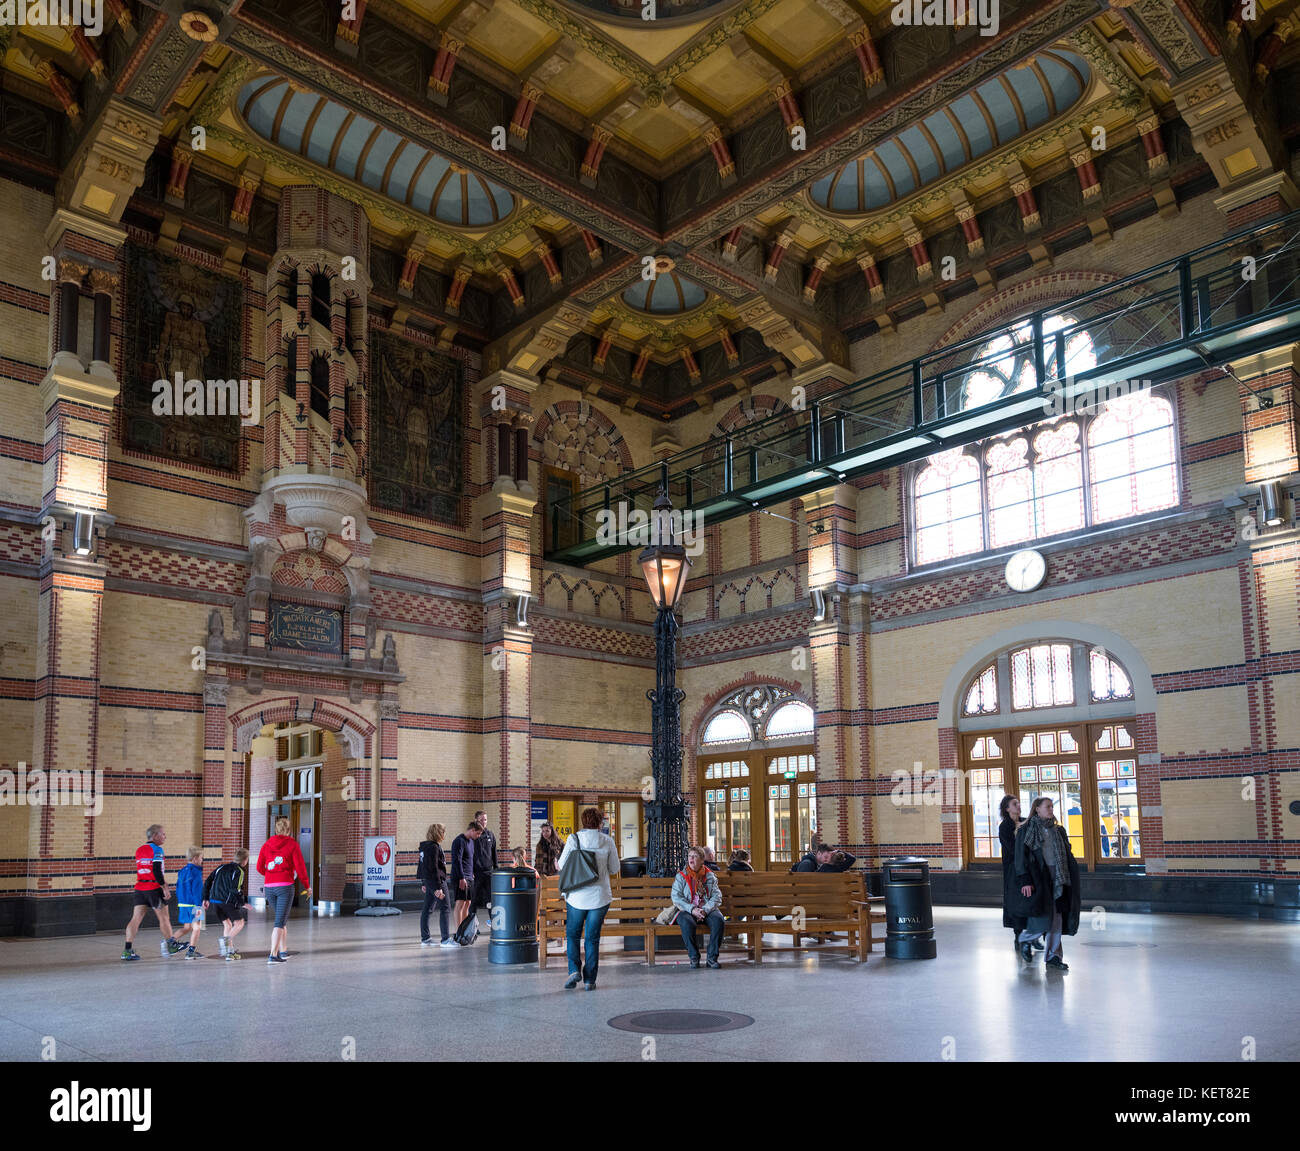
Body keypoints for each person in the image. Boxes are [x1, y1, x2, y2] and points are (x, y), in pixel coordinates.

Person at [1013, 796, 1081, 970]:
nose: (1051, 809)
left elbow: (1067, 853)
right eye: (1047, 807)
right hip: (1038, 878)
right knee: (1042, 914)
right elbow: (1020, 858)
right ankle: (1025, 939)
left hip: (1059, 877)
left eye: (1052, 807)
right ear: (1037, 809)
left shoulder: (1058, 831)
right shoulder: (1026, 830)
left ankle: (1053, 956)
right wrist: (1025, 881)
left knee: (1057, 916)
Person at [557, 807, 619, 991]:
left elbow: (561, 865)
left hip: (577, 897)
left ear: (583, 821)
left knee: (573, 935)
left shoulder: (574, 839)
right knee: (592, 939)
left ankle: (574, 970)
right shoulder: (607, 841)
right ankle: (589, 981)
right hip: (600, 897)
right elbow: (615, 868)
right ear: (600, 823)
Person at [122, 824, 185, 960]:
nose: (165, 837)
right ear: (155, 835)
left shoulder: (139, 850)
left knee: (135, 919)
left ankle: (127, 950)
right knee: (163, 918)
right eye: (163, 834)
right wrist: (164, 887)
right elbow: (156, 870)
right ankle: (171, 945)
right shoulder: (157, 850)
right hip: (153, 889)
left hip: (140, 889)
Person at [257, 817, 310, 965]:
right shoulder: (292, 844)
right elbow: (300, 868)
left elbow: (260, 867)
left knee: (282, 919)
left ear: (276, 829)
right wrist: (307, 886)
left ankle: (283, 950)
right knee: (279, 922)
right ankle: (273, 955)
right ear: (289, 830)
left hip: (269, 888)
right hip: (284, 887)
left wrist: (270, 874)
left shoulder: (266, 845)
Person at [672, 846, 724, 969]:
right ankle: (694, 957)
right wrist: (692, 909)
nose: (692, 859)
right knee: (686, 922)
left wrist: (705, 910)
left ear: (702, 860)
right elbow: (676, 897)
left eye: (695, 856)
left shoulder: (710, 876)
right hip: (687, 909)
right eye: (690, 856)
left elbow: (716, 897)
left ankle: (712, 958)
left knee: (718, 920)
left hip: (706, 909)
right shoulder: (681, 876)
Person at [998, 795, 1038, 953]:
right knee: (1016, 902)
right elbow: (1013, 849)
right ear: (1007, 808)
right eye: (1015, 804)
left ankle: (1032, 936)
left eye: (1019, 803)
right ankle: (1018, 935)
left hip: (1029, 867)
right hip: (1013, 869)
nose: (1018, 806)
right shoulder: (1005, 826)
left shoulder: (1026, 822)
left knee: (1031, 900)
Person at [202, 848, 249, 961]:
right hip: (226, 902)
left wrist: (205, 898)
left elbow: (207, 881)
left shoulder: (221, 867)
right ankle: (225, 941)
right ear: (244, 860)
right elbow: (235, 889)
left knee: (228, 925)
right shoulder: (239, 871)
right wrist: (242, 903)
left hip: (215, 901)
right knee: (239, 923)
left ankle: (229, 952)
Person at [417, 823, 455, 948]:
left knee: (427, 909)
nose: (444, 835)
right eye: (443, 832)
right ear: (438, 833)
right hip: (437, 881)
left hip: (429, 881)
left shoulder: (425, 847)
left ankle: (425, 938)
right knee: (445, 908)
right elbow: (432, 868)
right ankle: (445, 940)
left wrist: (424, 882)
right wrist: (438, 887)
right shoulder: (433, 847)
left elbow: (422, 866)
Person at [169, 846, 205, 959]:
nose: (202, 860)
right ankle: (191, 951)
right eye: (201, 858)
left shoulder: (182, 871)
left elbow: (178, 887)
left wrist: (181, 901)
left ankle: (171, 941)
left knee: (187, 927)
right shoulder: (196, 872)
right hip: (194, 904)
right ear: (195, 859)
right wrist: (199, 905)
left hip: (183, 903)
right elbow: (196, 890)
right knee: (197, 927)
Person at [450, 822, 482, 929]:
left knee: (468, 903)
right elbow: (457, 861)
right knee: (460, 904)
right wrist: (461, 877)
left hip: (469, 877)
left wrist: (471, 872)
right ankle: (459, 931)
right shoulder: (459, 841)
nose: (478, 836)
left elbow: (470, 860)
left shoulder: (471, 842)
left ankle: (464, 929)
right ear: (472, 830)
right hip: (460, 877)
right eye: (477, 833)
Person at [472, 810, 498, 914]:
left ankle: (494, 924)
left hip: (488, 873)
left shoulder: (490, 835)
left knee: (490, 900)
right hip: (476, 873)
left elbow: (494, 853)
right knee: (473, 900)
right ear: (476, 820)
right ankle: (472, 926)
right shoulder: (473, 836)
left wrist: (495, 869)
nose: (484, 822)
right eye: (481, 820)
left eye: (485, 819)